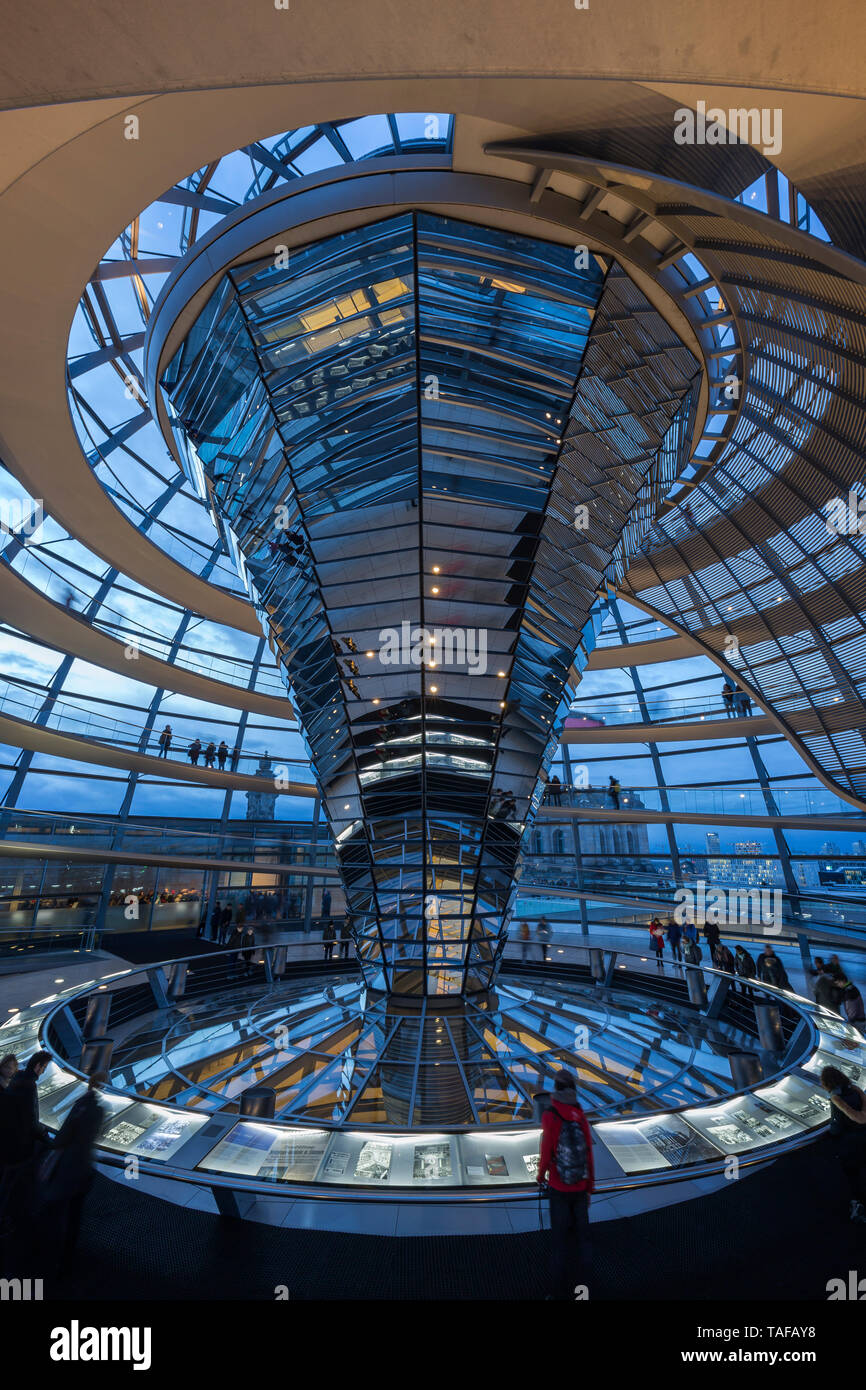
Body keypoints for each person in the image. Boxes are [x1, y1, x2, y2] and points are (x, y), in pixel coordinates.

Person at [38, 1073, 105, 1274]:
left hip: (67, 1166)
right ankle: (67, 1258)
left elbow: (63, 1137)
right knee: (74, 1215)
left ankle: (48, 1254)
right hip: (83, 1168)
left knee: (56, 1210)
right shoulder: (99, 1109)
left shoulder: (80, 1106)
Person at [538, 1070, 594, 1300]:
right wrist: (590, 1186)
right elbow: (588, 1151)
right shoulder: (579, 1112)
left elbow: (546, 1150)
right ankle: (585, 1289)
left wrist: (541, 1175)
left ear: (555, 1088)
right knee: (582, 1239)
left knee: (560, 1242)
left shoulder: (550, 1115)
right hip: (580, 1186)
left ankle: (556, 1292)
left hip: (559, 1188)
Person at [821, 1065, 866, 1223]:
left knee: (853, 1175)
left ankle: (859, 1205)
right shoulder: (856, 1091)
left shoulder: (836, 1099)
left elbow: (837, 1125)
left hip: (851, 1145)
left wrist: (831, 1133)